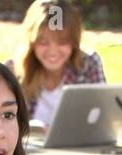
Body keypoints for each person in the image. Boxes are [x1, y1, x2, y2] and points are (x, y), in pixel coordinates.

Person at [16, 0, 106, 128]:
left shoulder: (89, 64)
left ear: (74, 42)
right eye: (43, 41)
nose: (53, 51)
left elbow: (103, 116)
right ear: (32, 42)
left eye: (62, 42)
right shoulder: (13, 71)